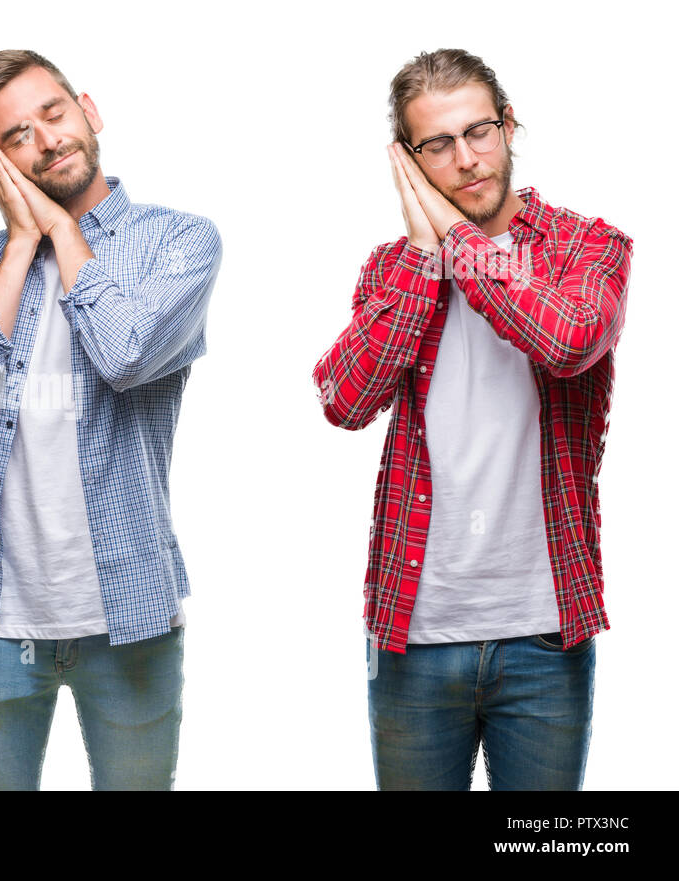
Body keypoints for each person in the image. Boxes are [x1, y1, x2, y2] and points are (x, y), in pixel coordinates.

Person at [312, 48, 632, 790]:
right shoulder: (394, 266)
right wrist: (426, 257)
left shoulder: (588, 247)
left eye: (479, 131)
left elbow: (569, 339)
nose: (466, 159)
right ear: (411, 159)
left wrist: (457, 241)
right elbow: (345, 399)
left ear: (510, 125)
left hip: (545, 637)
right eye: (438, 144)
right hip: (414, 634)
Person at [0, 49, 222, 790]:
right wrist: (24, 239)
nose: (48, 139)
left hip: (132, 617)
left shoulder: (180, 241)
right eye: (18, 134)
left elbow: (123, 354)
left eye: (54, 113)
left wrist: (60, 226)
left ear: (88, 109)